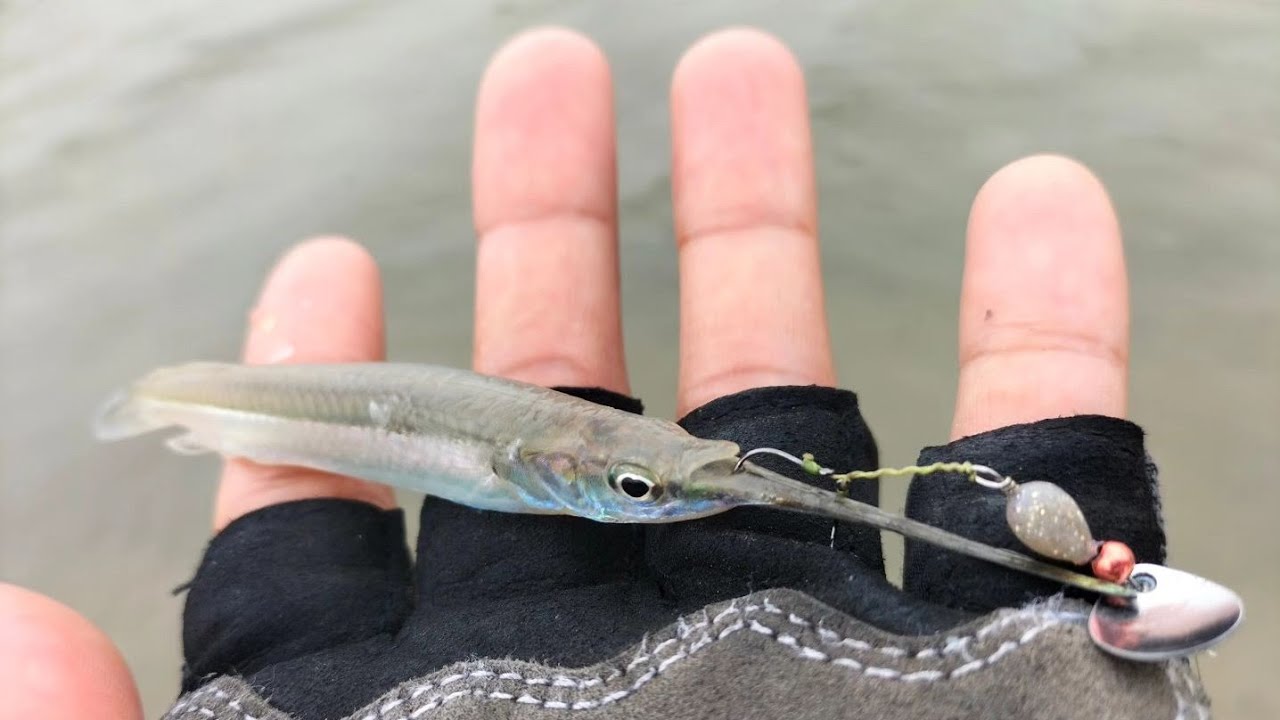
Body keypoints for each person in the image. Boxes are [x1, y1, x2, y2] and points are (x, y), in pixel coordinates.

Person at [0, 27, 1197, 720]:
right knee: (228, 408)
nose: (666, 501)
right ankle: (173, 397)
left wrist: (673, 473)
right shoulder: (505, 460)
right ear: (538, 469)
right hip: (284, 407)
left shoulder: (579, 457)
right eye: (636, 492)